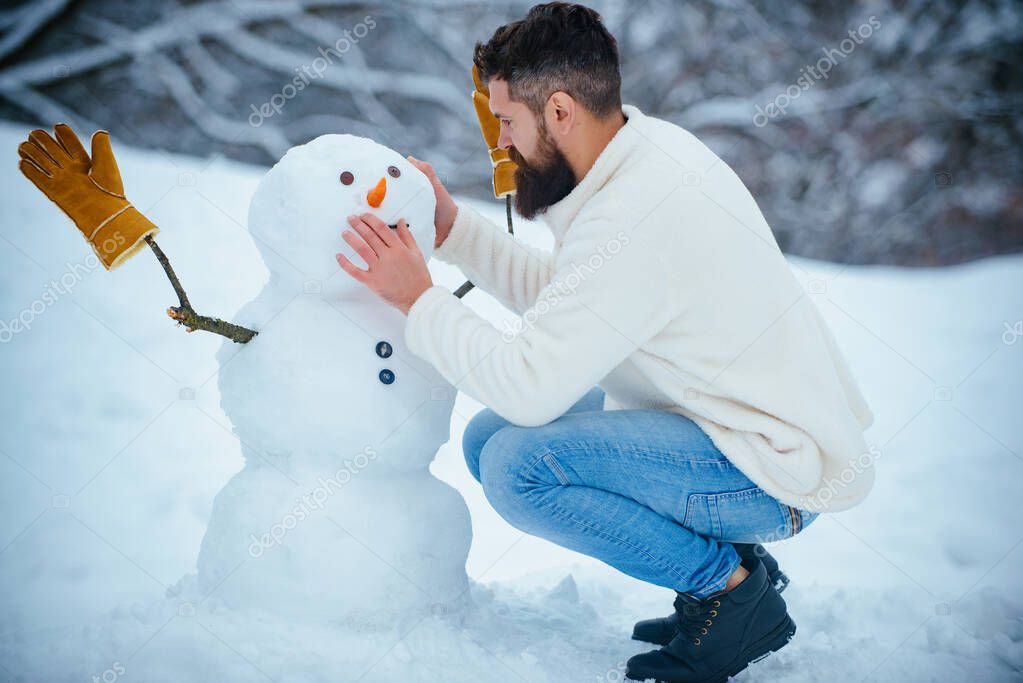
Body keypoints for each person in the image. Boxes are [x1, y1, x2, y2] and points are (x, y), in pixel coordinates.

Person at [335, 3, 875, 681]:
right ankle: (735, 565)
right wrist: (453, 232)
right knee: (486, 439)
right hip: (728, 424)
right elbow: (577, 300)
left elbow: (530, 388)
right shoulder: (639, 155)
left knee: (516, 468)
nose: (498, 141)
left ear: (559, 110)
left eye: (506, 120)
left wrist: (416, 298)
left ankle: (730, 592)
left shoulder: (634, 210)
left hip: (772, 468)